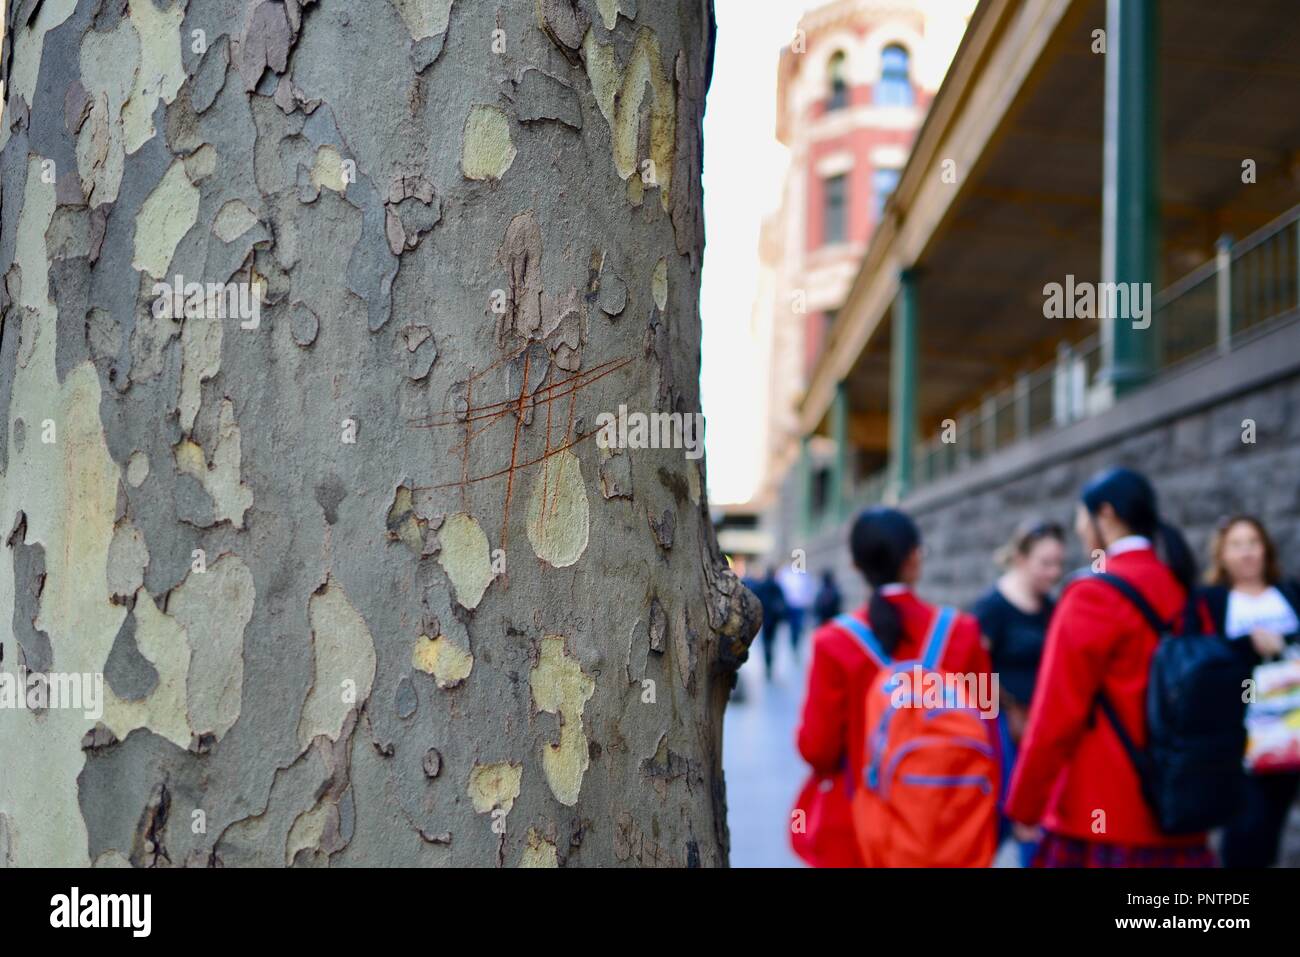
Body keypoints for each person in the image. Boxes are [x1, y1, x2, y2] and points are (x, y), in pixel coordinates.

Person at [1005, 467, 1215, 867]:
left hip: (1103, 819)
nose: (1082, 532)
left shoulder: (1092, 594)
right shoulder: (1186, 591)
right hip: (1183, 813)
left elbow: (1055, 718)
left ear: (1106, 515)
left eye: (1082, 519)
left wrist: (1024, 805)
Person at [793, 507, 990, 867]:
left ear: (855, 566)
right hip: (945, 825)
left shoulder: (833, 642)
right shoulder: (963, 632)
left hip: (859, 830)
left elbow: (817, 749)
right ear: (915, 557)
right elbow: (986, 728)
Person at [1200, 515, 1300, 868]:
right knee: (1246, 829)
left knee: (1272, 825)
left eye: (1253, 543)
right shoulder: (1211, 601)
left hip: (1291, 733)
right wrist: (1246, 646)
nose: (1246, 553)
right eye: (1237, 545)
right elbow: (1202, 659)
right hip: (1242, 739)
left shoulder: (1289, 592)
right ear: (1222, 554)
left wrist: (1284, 643)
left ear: (1265, 549)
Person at [972, 519, 1066, 866]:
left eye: (1058, 563)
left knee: (1037, 817)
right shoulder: (992, 608)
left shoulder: (1050, 607)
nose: (1054, 572)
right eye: (1046, 563)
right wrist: (1006, 709)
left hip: (1039, 728)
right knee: (1004, 815)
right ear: (1021, 559)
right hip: (1002, 731)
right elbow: (973, 675)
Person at [750, 568, 787, 682]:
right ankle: (770, 661)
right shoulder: (777, 586)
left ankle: (768, 661)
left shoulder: (762, 586)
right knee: (772, 640)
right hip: (774, 618)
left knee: (766, 641)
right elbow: (783, 602)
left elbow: (754, 599)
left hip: (765, 618)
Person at [777, 564, 817, 659]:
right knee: (794, 627)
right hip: (791, 606)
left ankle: (795, 642)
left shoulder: (803, 575)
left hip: (800, 606)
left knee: (797, 627)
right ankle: (794, 642)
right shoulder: (786, 575)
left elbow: (808, 589)